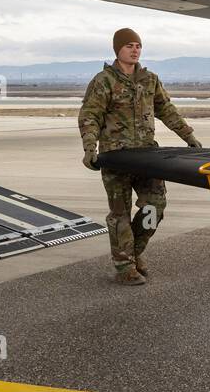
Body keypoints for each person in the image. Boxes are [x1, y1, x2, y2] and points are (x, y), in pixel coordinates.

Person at [78, 28, 201, 285]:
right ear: (118, 50)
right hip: (116, 158)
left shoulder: (150, 80)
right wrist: (90, 148)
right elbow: (90, 116)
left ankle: (134, 251)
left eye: (138, 45)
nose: (135, 50)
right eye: (129, 45)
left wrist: (188, 137)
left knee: (155, 206)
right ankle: (125, 266)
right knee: (119, 214)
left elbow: (167, 111)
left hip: (146, 156)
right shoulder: (104, 81)